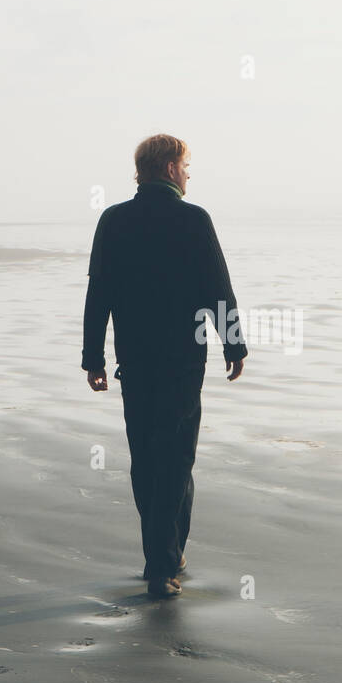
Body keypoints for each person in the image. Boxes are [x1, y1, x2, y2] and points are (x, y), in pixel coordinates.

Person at [81, 134, 247, 599]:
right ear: (171, 167)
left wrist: (92, 356)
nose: (189, 174)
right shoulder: (193, 220)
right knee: (176, 459)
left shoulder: (113, 220)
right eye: (187, 166)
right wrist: (234, 345)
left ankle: (166, 553)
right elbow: (218, 288)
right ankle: (162, 564)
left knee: (147, 459)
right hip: (182, 360)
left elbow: (99, 295)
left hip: (133, 360)